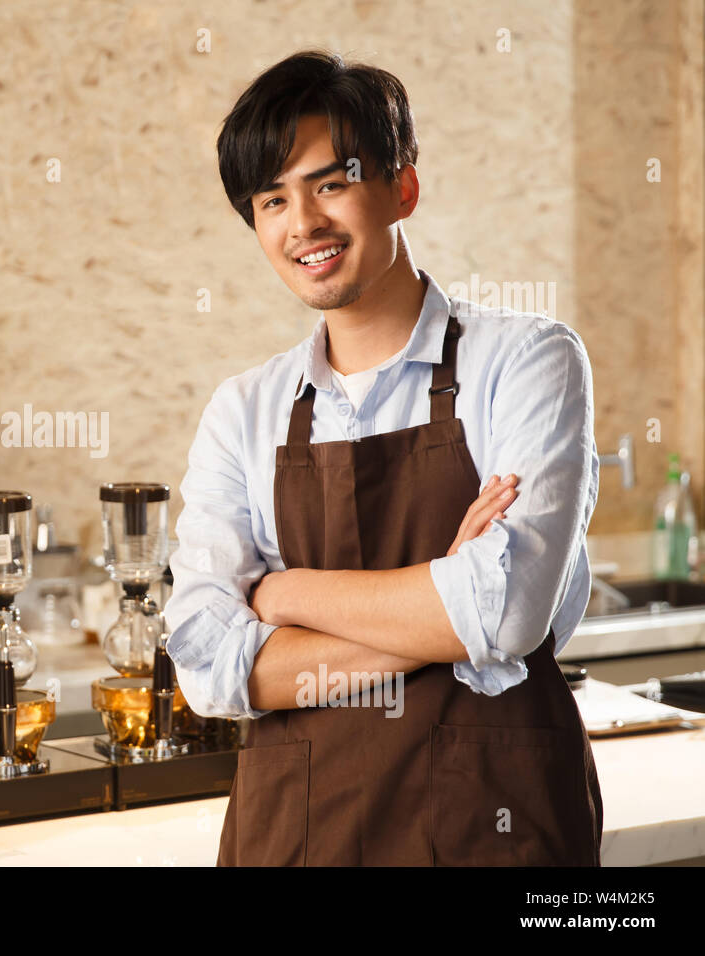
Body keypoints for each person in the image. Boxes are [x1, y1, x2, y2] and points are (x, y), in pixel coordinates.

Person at [164, 49, 602, 866]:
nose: (304, 225)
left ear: (402, 186)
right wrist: (449, 610)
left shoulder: (527, 360)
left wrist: (286, 594)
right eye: (272, 200)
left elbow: (508, 613)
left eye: (331, 183)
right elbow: (209, 668)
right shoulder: (244, 412)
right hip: (296, 837)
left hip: (493, 831)